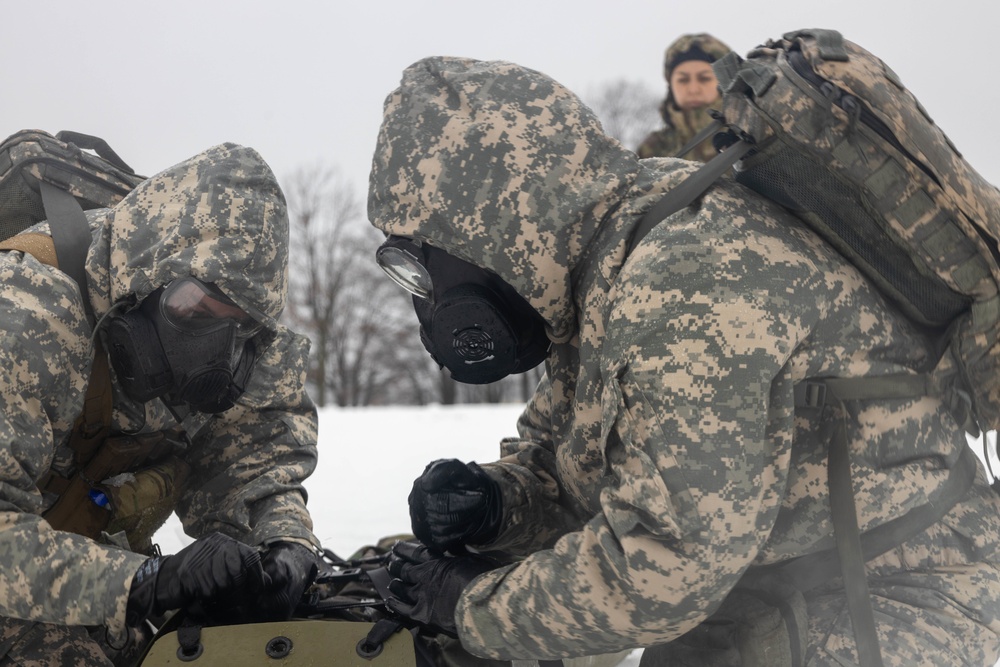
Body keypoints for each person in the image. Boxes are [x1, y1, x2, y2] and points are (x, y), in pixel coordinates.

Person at [367, 57, 1000, 666]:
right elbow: (590, 458)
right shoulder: (609, 253)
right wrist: (498, 501)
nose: (429, 296)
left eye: (422, 264)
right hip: (790, 583)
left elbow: (663, 569)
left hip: (910, 592)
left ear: (491, 225)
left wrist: (467, 607)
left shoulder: (684, 282)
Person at [0, 143, 323, 665]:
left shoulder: (249, 335)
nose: (216, 351)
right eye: (194, 310)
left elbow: (253, 461)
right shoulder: (27, 313)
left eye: (238, 324)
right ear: (143, 282)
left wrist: (284, 545)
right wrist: (146, 582)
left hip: (80, 578)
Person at [636, 33, 730, 162]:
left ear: (724, 82)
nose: (693, 89)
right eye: (683, 80)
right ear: (671, 85)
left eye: (704, 78)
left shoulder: (749, 139)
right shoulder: (653, 149)